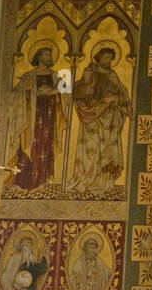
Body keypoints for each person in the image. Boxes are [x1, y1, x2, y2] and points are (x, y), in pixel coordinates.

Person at [70, 46, 132, 195]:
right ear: (99, 57)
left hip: (110, 118)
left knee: (109, 151)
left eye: (111, 58)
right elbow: (77, 91)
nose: (109, 61)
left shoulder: (112, 75)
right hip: (92, 115)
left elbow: (123, 91)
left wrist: (116, 98)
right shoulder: (89, 72)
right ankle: (87, 179)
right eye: (106, 57)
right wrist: (88, 89)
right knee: (91, 149)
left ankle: (104, 184)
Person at [7, 45, 67, 190]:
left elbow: (66, 92)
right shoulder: (29, 75)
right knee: (28, 145)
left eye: (50, 55)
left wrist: (52, 91)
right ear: (39, 57)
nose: (49, 58)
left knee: (45, 146)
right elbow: (14, 95)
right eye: (46, 55)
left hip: (48, 116)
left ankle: (40, 181)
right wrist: (29, 90)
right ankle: (21, 181)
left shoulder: (55, 76)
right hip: (32, 117)